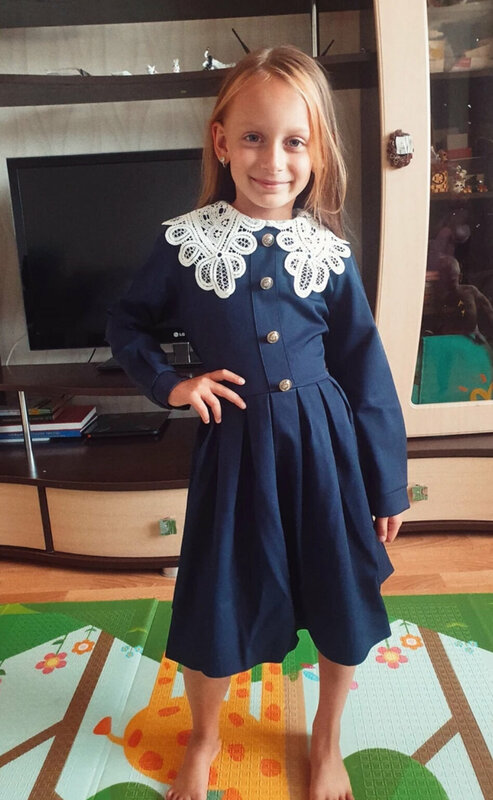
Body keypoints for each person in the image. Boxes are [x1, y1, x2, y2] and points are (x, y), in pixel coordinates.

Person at [106, 45, 409, 800]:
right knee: (218, 600)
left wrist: (386, 484)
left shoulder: (328, 254)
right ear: (221, 142)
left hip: (325, 456)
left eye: (293, 141)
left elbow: (365, 370)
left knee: (340, 598)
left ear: (316, 152)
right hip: (235, 457)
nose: (272, 160)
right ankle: (204, 736)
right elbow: (127, 323)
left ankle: (327, 740)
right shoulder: (185, 242)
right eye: (252, 137)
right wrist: (171, 385)